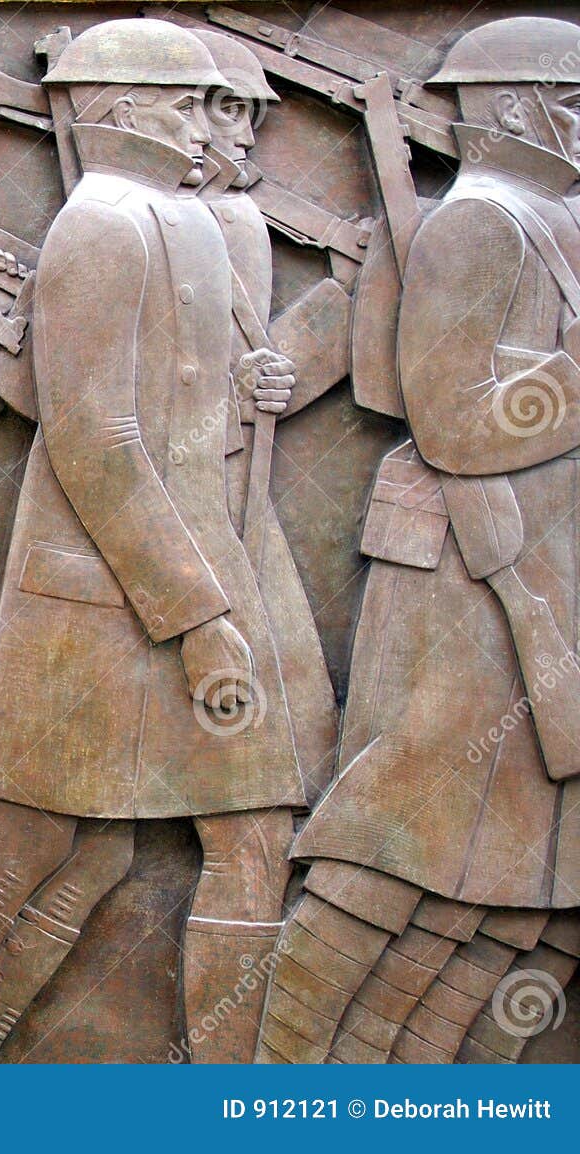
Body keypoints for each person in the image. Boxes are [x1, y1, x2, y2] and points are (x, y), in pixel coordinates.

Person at [0, 18, 304, 1064]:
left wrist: (245, 386)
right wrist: (197, 618)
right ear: (121, 110)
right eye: (187, 103)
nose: (209, 123)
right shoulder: (99, 225)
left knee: (237, 837)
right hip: (108, 596)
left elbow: (166, 397)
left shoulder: (177, 219)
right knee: (33, 843)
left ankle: (230, 1098)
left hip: (192, 565)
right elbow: (97, 439)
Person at [257, 16, 580, 1064]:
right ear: (521, 110)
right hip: (465, 572)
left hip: (544, 567)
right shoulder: (478, 226)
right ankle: (279, 1092)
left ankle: (404, 1099)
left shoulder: (554, 221)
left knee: (510, 888)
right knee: (395, 852)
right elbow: (451, 423)